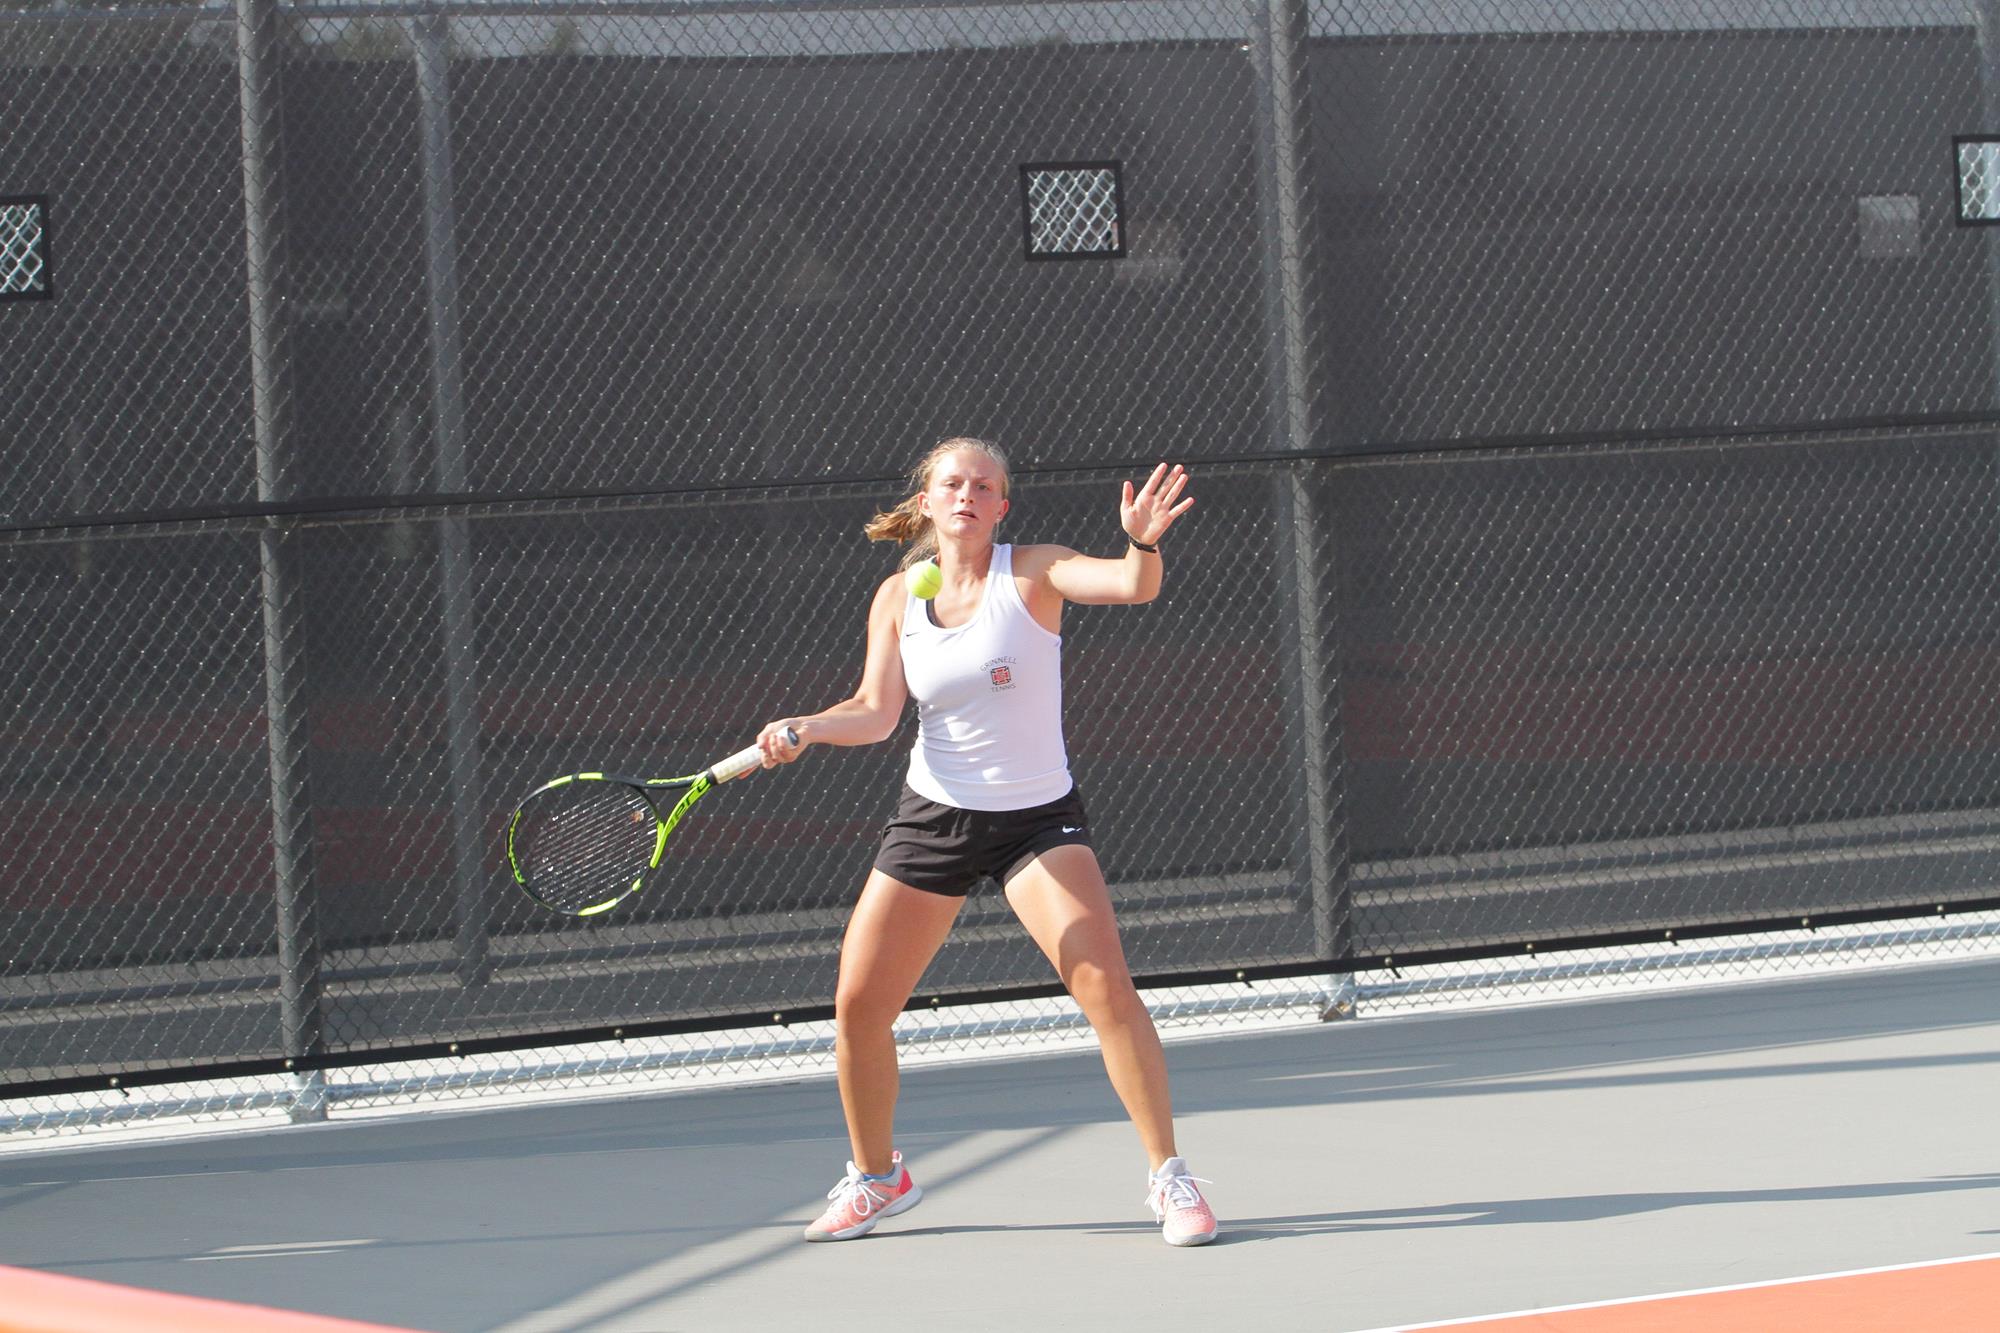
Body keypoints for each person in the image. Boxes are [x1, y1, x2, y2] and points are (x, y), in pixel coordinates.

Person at [752, 436, 1217, 1247]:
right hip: (935, 816)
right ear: (927, 501)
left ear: (1002, 506)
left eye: (984, 485)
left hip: (1036, 821)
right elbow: (874, 710)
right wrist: (807, 727)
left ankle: (1171, 1178)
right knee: (860, 1005)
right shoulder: (899, 596)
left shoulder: (1035, 572)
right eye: (951, 483)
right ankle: (877, 1178)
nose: (966, 494)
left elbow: (1130, 585)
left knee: (1104, 985)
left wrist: (1140, 541)